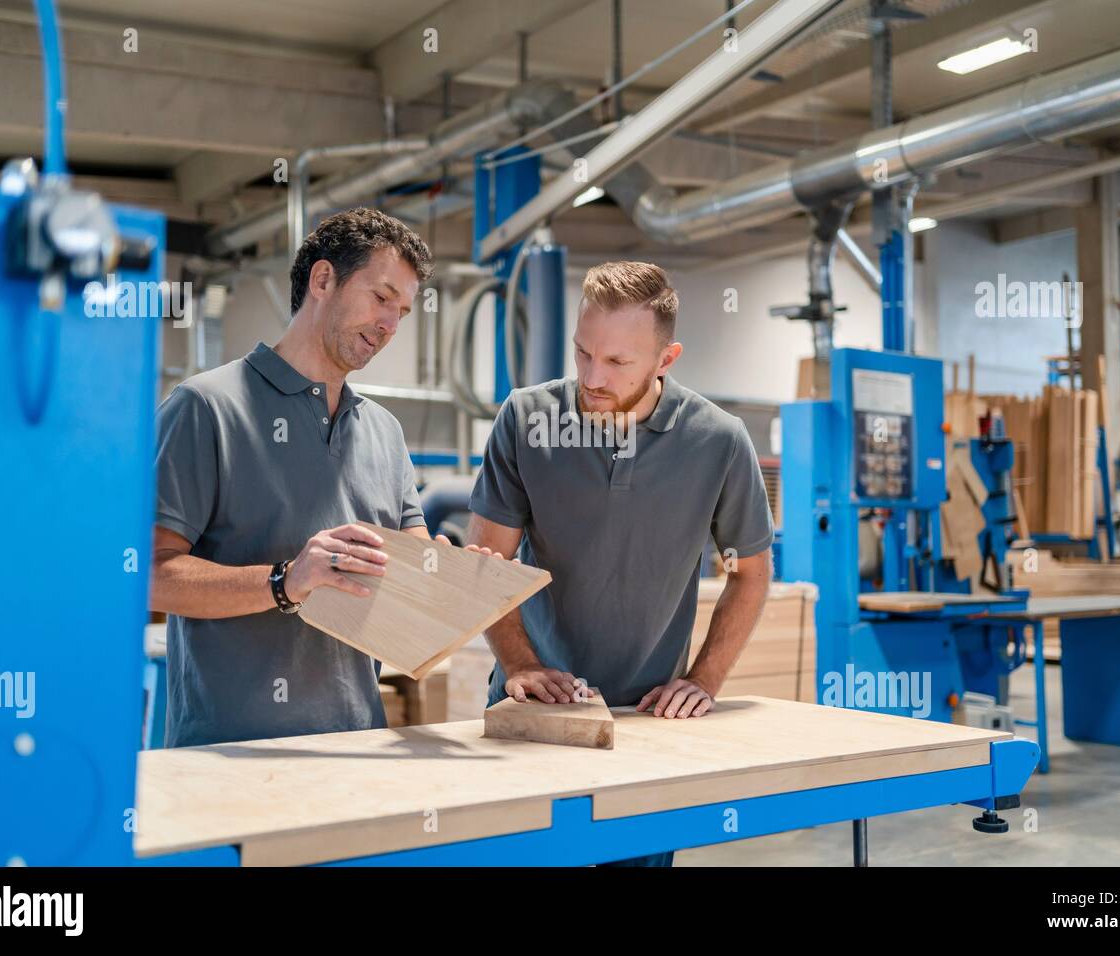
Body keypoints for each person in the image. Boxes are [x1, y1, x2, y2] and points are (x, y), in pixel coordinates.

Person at [466, 260, 775, 866]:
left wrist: (705, 680)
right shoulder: (527, 422)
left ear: (666, 359)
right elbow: (487, 564)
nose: (591, 377)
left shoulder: (718, 441)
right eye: (582, 354)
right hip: (532, 713)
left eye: (616, 362)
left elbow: (750, 572)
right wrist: (520, 665)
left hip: (648, 721)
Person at [151, 208, 442, 748]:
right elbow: (150, 576)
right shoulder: (205, 407)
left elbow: (412, 586)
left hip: (357, 748)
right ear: (323, 280)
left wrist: (454, 577)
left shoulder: (384, 431)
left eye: (402, 311)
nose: (390, 326)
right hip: (226, 757)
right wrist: (285, 582)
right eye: (382, 298)